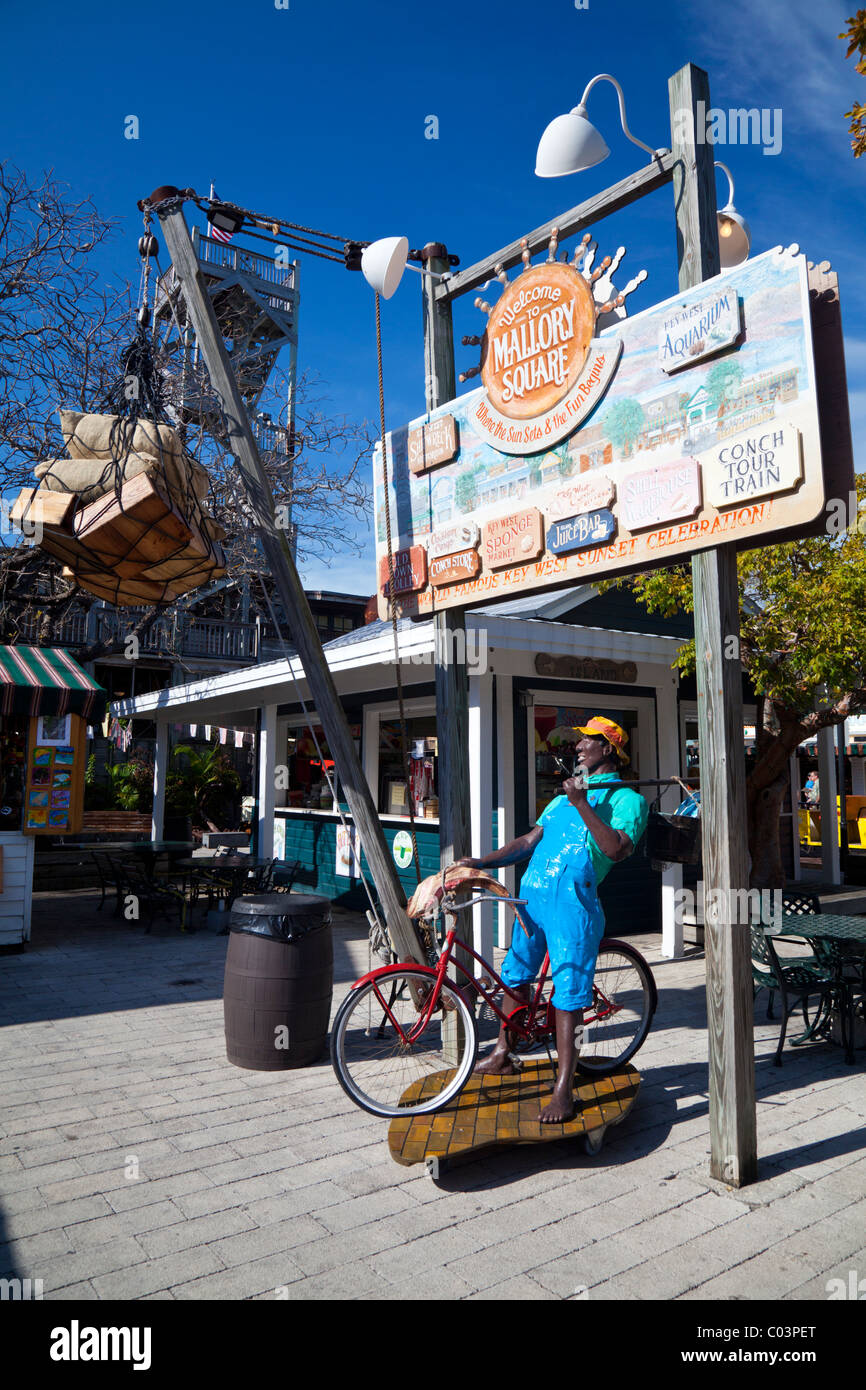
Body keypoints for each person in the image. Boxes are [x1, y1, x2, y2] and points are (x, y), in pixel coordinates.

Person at [456, 716, 648, 1123]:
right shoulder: (561, 799)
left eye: (587, 742)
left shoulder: (629, 800)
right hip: (533, 901)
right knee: (515, 974)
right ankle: (502, 1053)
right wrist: (483, 861)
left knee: (568, 996)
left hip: (573, 909)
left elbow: (615, 849)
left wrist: (582, 803)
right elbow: (528, 841)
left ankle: (565, 1086)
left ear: (608, 749)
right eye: (578, 743)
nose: (578, 748)